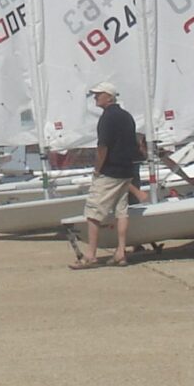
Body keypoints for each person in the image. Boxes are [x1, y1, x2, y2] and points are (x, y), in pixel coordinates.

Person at [73, 82, 143, 268]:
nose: (95, 97)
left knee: (93, 213)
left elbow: (103, 147)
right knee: (121, 212)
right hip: (126, 171)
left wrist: (97, 169)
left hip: (110, 171)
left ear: (109, 97)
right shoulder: (127, 116)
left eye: (99, 94)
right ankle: (121, 252)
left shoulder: (107, 118)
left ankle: (90, 256)